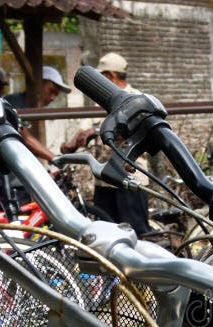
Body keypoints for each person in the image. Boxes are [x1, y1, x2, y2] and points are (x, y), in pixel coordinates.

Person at [61, 53, 151, 236]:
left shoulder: (137, 99)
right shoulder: (100, 103)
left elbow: (131, 128)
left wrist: (94, 131)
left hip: (129, 179)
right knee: (107, 236)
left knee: (136, 235)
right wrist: (72, 144)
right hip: (104, 179)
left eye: (100, 77)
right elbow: (84, 130)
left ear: (109, 76)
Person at [4, 65, 71, 162]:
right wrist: (55, 158)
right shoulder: (14, 103)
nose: (52, 98)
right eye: (51, 91)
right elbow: (26, 139)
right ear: (39, 85)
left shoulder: (41, 112)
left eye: (56, 94)